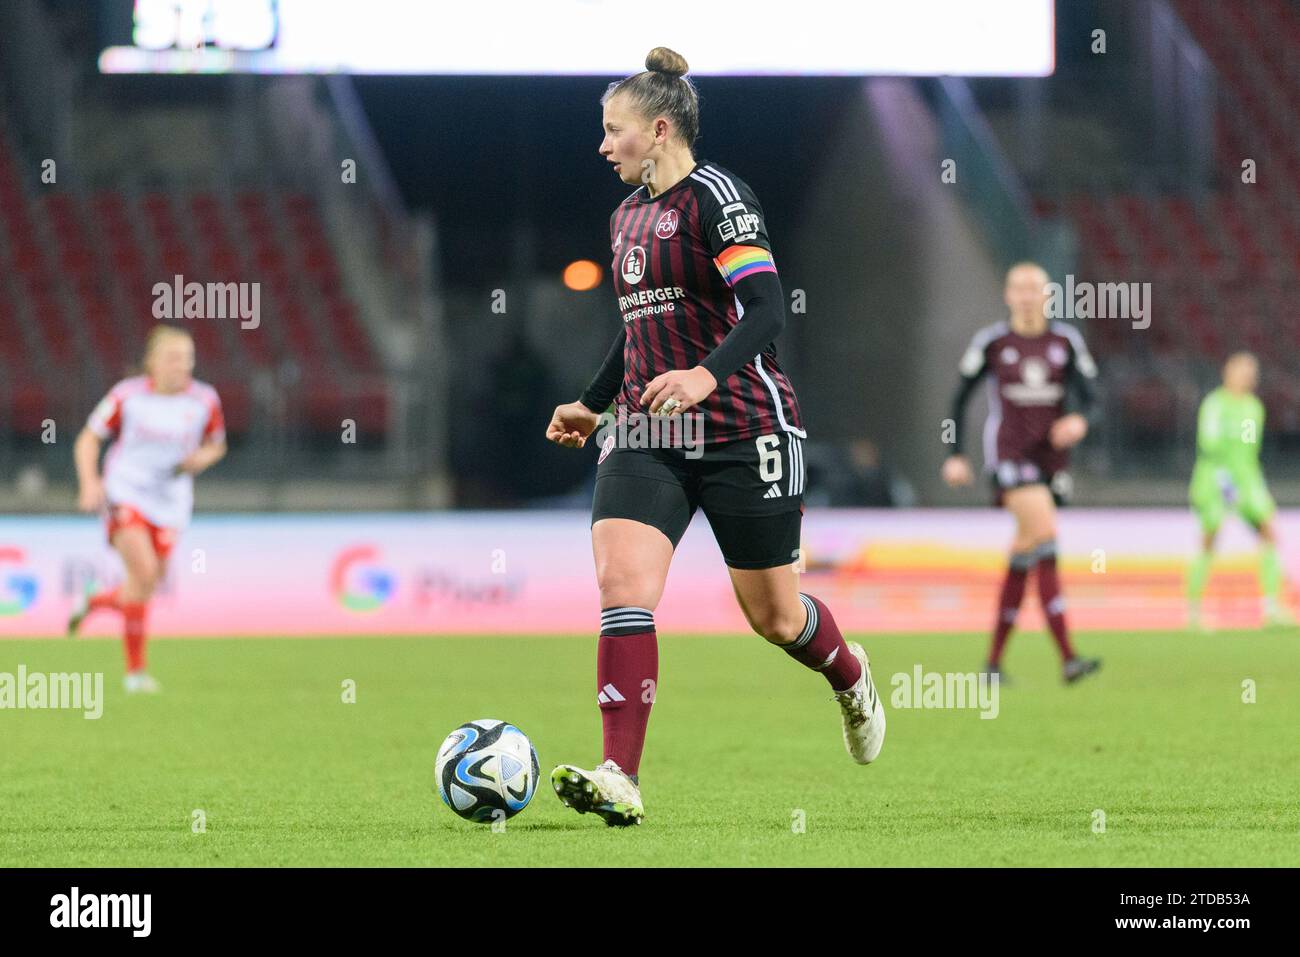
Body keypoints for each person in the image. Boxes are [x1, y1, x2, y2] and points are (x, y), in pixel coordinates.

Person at [543, 46, 884, 827]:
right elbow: (638, 330)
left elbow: (766, 307)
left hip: (743, 425)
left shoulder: (719, 198)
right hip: (646, 430)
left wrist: (705, 375)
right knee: (622, 586)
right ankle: (620, 774)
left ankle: (851, 672)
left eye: (613, 129)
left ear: (658, 128)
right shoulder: (625, 214)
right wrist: (595, 404)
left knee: (774, 615)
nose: (603, 146)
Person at [942, 262, 1102, 684]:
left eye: (1035, 288)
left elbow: (1092, 398)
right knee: (1046, 538)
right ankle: (1069, 658)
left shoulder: (1066, 341)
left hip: (1052, 461)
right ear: (1009, 295)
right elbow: (959, 399)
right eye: (1019, 288)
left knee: (1024, 551)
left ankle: (992, 665)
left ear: (1048, 295)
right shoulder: (993, 342)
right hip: (1010, 455)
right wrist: (955, 453)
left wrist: (1080, 421)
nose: (1028, 295)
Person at [69, 325, 227, 692]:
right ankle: (135, 673)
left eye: (187, 358)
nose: (181, 365)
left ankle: (93, 600)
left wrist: (198, 460)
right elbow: (88, 439)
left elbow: (217, 444)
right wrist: (90, 483)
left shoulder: (204, 399)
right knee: (142, 574)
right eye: (173, 357)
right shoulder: (127, 396)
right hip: (126, 492)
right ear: (151, 362)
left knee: (145, 585)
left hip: (171, 503)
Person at [1187, 352, 1291, 629]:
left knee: (1270, 533)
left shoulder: (1254, 407)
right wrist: (1225, 482)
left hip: (1247, 479)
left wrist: (1251, 484)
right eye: (1242, 370)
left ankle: (1271, 609)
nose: (1248, 376)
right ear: (1227, 372)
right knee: (1210, 538)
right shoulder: (1214, 405)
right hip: (1215, 478)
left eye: (1251, 372)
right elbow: (1209, 445)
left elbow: (1249, 450)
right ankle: (1194, 613)